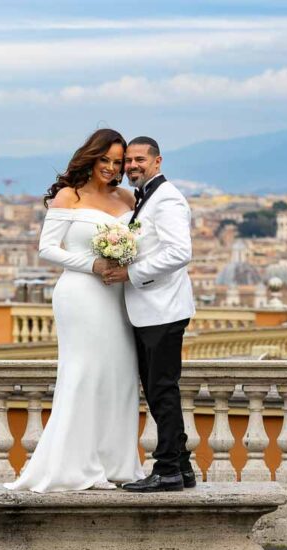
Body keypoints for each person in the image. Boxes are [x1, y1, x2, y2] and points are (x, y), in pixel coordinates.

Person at [4, 128, 145, 492]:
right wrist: (92, 265)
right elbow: (47, 248)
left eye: (118, 162)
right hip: (81, 295)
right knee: (84, 373)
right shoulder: (70, 195)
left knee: (119, 375)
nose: (111, 168)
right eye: (105, 160)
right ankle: (76, 465)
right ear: (92, 158)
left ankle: (116, 464)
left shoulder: (128, 198)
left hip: (118, 296)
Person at [101, 136, 196, 492]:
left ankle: (167, 469)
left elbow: (179, 252)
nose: (131, 166)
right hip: (152, 310)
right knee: (159, 390)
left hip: (163, 309)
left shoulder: (167, 198)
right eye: (128, 160)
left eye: (139, 159)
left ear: (157, 161)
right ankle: (181, 467)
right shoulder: (147, 197)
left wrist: (132, 273)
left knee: (162, 391)